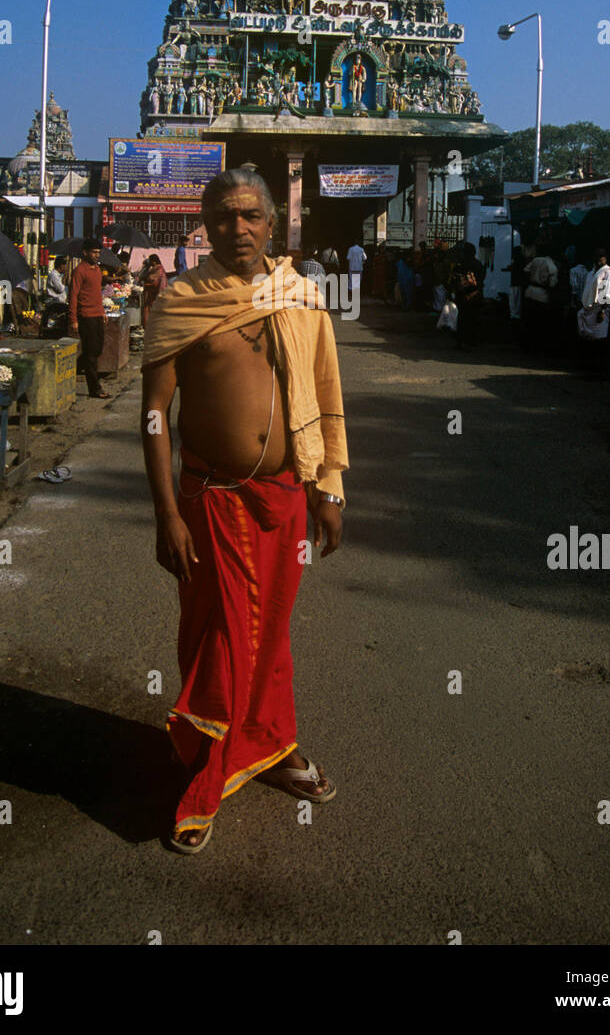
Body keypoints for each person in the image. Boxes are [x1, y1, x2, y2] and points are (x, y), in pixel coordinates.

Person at [141, 168, 348, 852]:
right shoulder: (180, 303)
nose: (238, 229)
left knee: (272, 635)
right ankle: (208, 769)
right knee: (225, 639)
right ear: (204, 220)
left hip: (285, 498)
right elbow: (152, 417)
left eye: (251, 215)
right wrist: (165, 513)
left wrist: (327, 487)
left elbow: (323, 391)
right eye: (225, 216)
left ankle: (275, 744)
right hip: (212, 502)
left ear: (272, 223)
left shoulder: (299, 296)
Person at [67, 240, 109, 399]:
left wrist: (102, 311)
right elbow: (73, 296)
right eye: (94, 252)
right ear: (85, 253)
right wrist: (73, 319)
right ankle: (95, 389)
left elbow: (97, 293)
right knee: (91, 354)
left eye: (98, 252)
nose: (97, 255)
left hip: (97, 314)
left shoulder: (97, 270)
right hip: (85, 316)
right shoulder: (79, 271)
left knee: (97, 349)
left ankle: (73, 369)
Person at [577, 247, 610, 343]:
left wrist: (602, 311)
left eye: (601, 256)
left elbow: (606, 292)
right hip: (589, 309)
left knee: (599, 336)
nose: (599, 258)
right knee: (587, 337)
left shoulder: (607, 272)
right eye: (597, 256)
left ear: (606, 258)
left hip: (599, 309)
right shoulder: (591, 273)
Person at [449, 241, 485, 350]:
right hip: (475, 295)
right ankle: (471, 342)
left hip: (463, 296)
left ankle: (461, 341)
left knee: (461, 319)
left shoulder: (461, 264)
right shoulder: (478, 264)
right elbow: (482, 279)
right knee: (472, 319)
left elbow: (454, 280)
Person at [521, 247, 558, 351]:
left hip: (530, 291)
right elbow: (552, 283)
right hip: (542, 295)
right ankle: (538, 346)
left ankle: (527, 345)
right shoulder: (552, 266)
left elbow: (525, 270)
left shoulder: (536, 260)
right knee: (540, 322)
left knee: (529, 321)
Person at [138, 254, 167, 329]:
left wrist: (145, 281)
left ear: (154, 262)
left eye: (151, 261)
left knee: (150, 311)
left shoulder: (158, 269)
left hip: (154, 294)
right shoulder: (155, 269)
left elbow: (153, 281)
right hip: (152, 294)